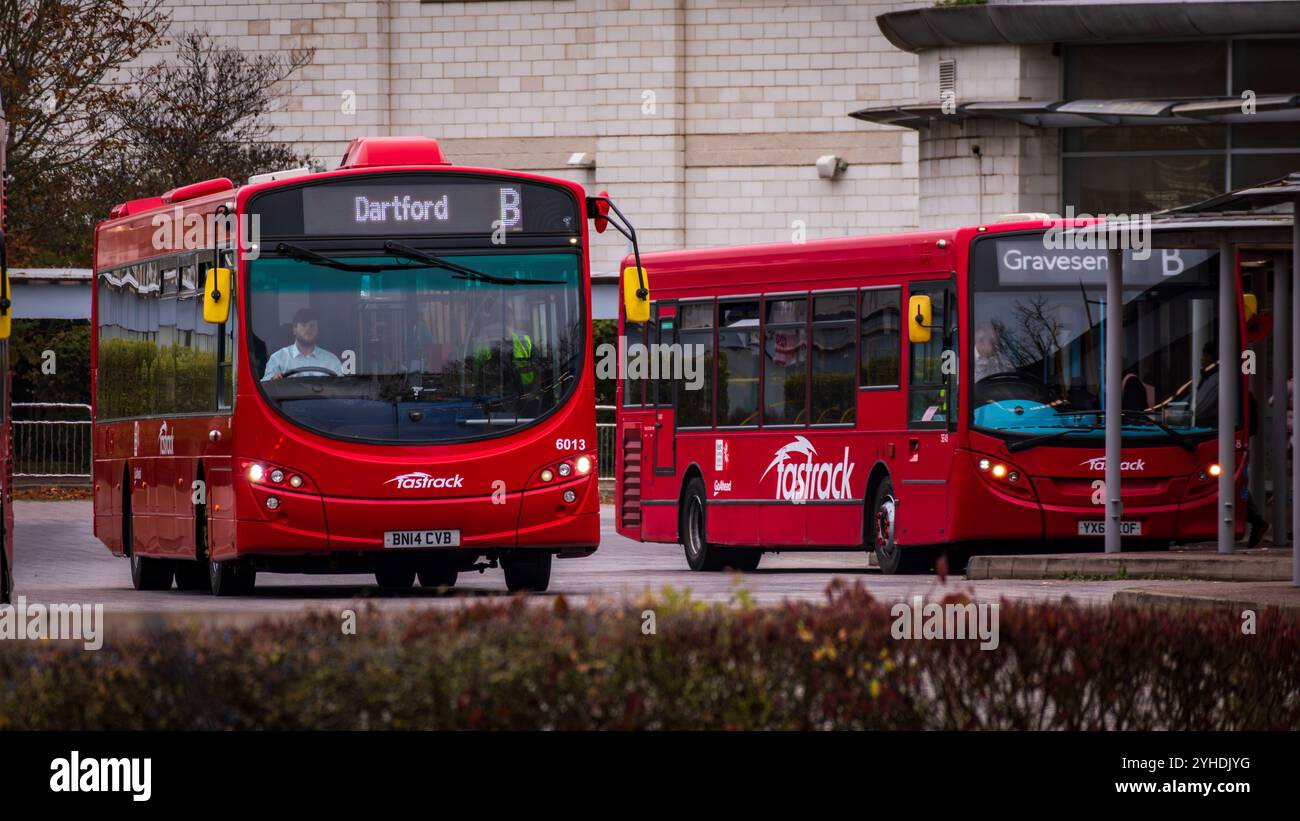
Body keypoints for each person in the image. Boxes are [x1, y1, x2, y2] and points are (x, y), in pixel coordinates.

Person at [262, 308, 343, 380]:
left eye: (312, 325)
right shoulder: (278, 359)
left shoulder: (331, 361)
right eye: (304, 325)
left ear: (318, 330)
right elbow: (264, 388)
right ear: (294, 330)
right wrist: (274, 379)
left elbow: (340, 389)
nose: (308, 329)